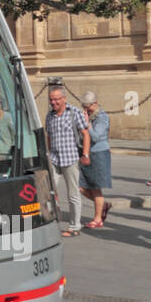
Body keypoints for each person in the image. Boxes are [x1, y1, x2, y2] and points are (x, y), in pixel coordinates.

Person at [44, 87, 90, 236]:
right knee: (48, 193)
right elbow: (49, 136)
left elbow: (85, 133)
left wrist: (85, 154)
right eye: (51, 99)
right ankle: (50, 224)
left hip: (71, 158)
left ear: (64, 99)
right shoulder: (49, 116)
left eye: (56, 99)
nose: (53, 102)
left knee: (73, 194)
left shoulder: (74, 112)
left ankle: (75, 226)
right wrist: (48, 154)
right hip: (55, 159)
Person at [79, 91, 111, 228]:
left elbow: (96, 136)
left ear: (95, 103)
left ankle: (97, 219)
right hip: (88, 153)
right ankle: (102, 204)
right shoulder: (90, 116)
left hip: (99, 154)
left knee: (96, 188)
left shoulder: (102, 117)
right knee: (81, 187)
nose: (86, 109)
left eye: (88, 106)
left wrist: (87, 124)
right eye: (84, 107)